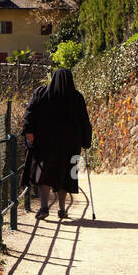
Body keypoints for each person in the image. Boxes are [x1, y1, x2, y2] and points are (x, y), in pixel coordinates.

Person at [20, 67, 93, 220]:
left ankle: (44, 207)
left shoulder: (41, 93)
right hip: (70, 146)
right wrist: (86, 141)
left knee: (43, 174)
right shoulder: (77, 97)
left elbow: (30, 113)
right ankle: (62, 209)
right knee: (66, 175)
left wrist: (29, 132)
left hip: (44, 144)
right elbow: (84, 121)